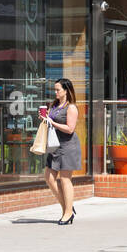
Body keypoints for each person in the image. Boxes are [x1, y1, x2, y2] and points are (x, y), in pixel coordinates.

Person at [41, 78, 80, 225]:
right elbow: (50, 123)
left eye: (58, 90)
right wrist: (45, 119)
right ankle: (67, 207)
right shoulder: (54, 105)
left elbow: (70, 129)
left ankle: (68, 212)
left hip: (67, 145)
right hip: (54, 145)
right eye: (55, 89)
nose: (55, 92)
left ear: (66, 90)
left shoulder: (71, 108)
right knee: (49, 177)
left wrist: (53, 123)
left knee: (65, 179)